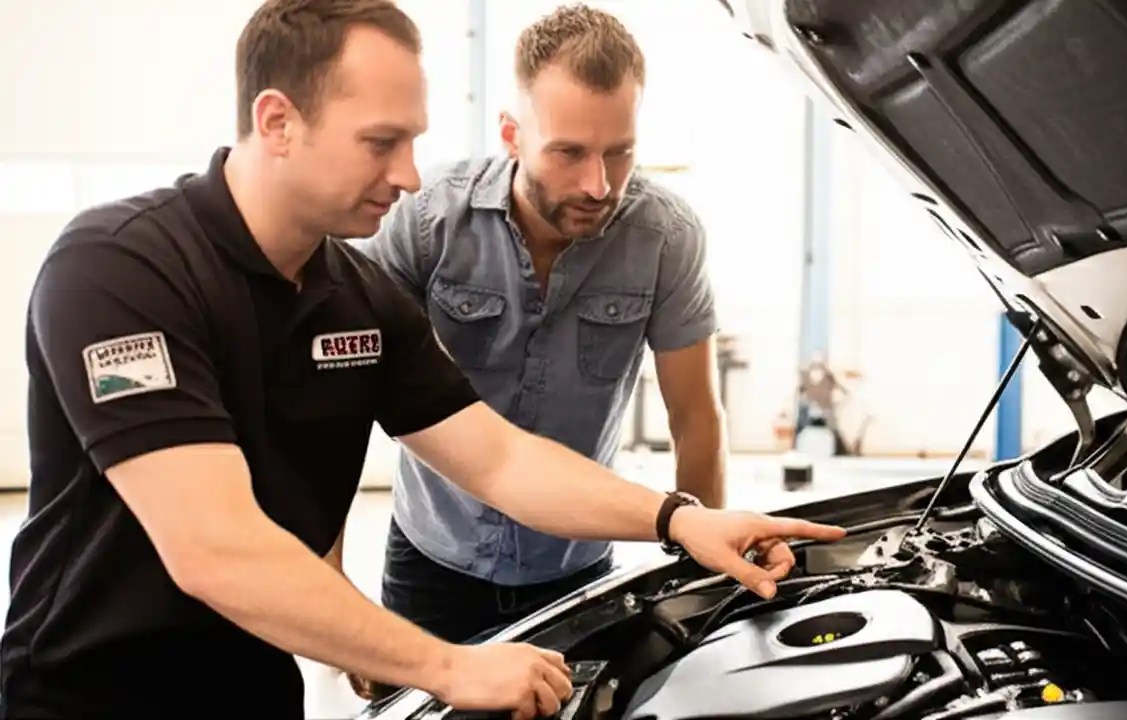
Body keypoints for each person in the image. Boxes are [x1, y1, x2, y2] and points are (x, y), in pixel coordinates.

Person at [0, 1, 845, 718]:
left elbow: (501, 458)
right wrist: (444, 663)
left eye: (413, 142)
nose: (409, 175)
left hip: (255, 680)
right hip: (82, 691)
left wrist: (683, 520)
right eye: (380, 142)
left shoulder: (357, 296)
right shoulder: (118, 269)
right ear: (277, 121)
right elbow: (214, 547)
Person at [354, 4, 728, 652]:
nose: (599, 183)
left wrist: (702, 577)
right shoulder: (423, 222)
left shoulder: (666, 238)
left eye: (621, 152)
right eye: (569, 153)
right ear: (511, 134)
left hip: (576, 572)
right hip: (431, 562)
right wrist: (334, 585)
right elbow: (338, 403)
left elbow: (695, 416)